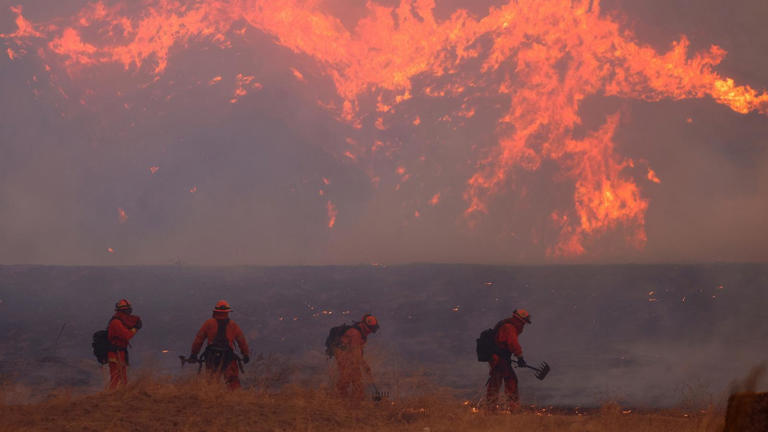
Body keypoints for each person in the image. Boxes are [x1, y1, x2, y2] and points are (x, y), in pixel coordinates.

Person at [189, 300, 250, 389]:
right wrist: (245, 354)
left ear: (215, 311)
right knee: (232, 380)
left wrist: (194, 354)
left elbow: (199, 339)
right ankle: (234, 398)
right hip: (228, 356)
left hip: (211, 356)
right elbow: (241, 340)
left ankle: (212, 396)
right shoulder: (233, 325)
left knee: (212, 380)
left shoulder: (209, 323)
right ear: (228, 312)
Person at [486, 309, 531, 410]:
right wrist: (520, 358)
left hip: (497, 358)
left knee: (495, 382)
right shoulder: (509, 327)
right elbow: (513, 344)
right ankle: (513, 408)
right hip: (499, 358)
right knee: (511, 380)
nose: (524, 325)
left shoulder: (507, 325)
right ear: (520, 319)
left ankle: (490, 408)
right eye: (524, 322)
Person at [332, 314, 379, 399]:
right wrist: (364, 366)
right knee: (346, 379)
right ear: (366, 326)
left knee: (357, 381)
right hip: (343, 356)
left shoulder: (362, 334)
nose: (371, 331)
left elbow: (358, 352)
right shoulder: (355, 334)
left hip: (350, 356)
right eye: (371, 329)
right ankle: (339, 399)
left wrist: (364, 364)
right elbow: (355, 352)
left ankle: (355, 401)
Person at [107, 299, 142, 389]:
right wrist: (135, 328)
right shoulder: (116, 322)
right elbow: (126, 335)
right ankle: (112, 397)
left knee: (122, 377)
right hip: (115, 352)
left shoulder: (119, 321)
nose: (128, 313)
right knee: (116, 377)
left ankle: (121, 396)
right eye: (127, 310)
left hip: (120, 351)